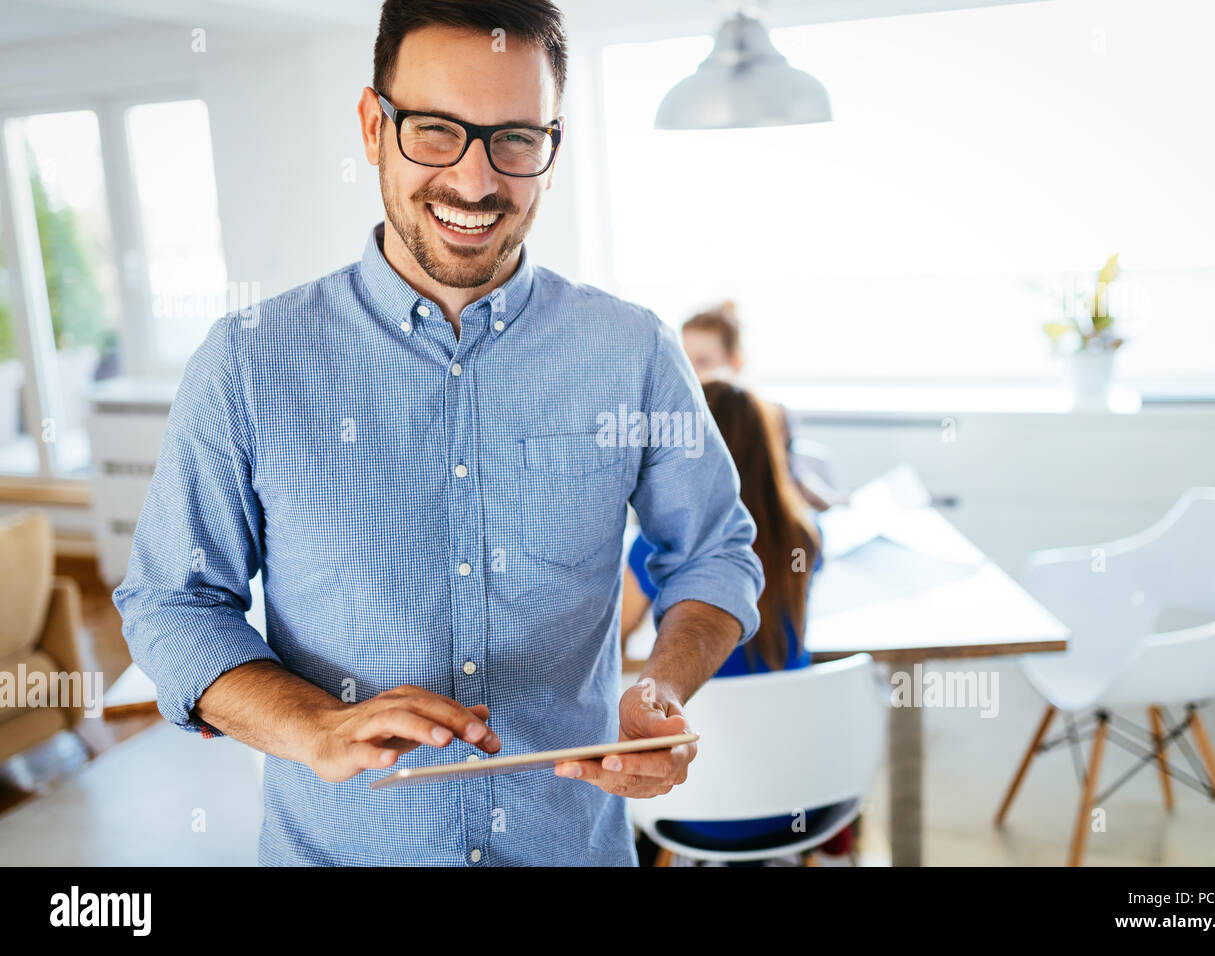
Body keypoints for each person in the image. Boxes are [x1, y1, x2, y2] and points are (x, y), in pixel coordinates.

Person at [112, 0, 763, 867]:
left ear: (552, 149)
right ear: (373, 128)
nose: (475, 181)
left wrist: (663, 688)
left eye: (514, 139)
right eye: (435, 131)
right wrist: (313, 723)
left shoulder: (633, 351)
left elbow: (716, 551)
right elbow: (173, 602)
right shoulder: (248, 362)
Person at [622, 380, 830, 854]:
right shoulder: (805, 535)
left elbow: (612, 641)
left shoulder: (653, 551)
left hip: (690, 802)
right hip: (804, 794)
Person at [681, 302, 844, 511]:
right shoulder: (678, 421)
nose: (692, 373)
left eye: (703, 362)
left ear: (735, 362)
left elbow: (790, 478)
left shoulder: (773, 416)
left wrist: (836, 503)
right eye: (685, 361)